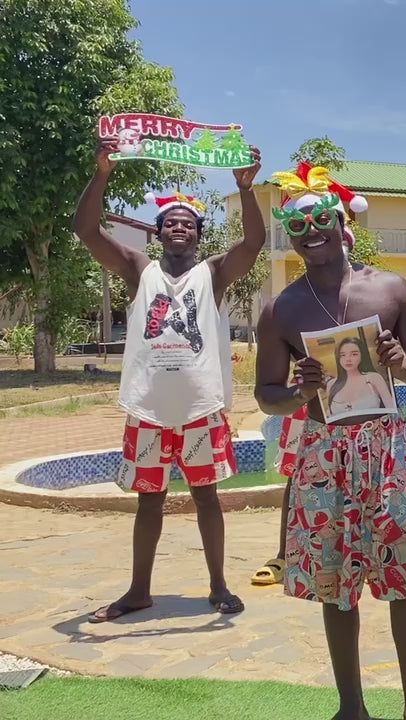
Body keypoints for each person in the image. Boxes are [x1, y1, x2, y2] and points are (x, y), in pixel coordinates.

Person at [254, 162, 406, 720]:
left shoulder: (389, 287)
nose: (310, 230)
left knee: (403, 576)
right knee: (335, 583)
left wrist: (400, 363)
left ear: (343, 222)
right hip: (323, 451)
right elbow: (266, 394)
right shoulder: (281, 308)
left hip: (389, 448)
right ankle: (351, 708)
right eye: (297, 222)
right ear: (288, 231)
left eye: (321, 217)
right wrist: (297, 390)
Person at [74, 138, 264, 623]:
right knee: (149, 502)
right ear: (158, 233)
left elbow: (253, 244)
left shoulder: (214, 272)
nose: (179, 227)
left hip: (201, 408)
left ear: (199, 234)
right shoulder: (139, 270)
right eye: (170, 223)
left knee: (207, 498)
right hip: (149, 410)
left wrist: (245, 189)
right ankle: (139, 591)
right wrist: (102, 175)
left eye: (188, 223)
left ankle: (219, 586)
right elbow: (87, 230)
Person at [252, 222, 361, 587]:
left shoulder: (367, 291)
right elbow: (268, 389)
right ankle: (285, 553)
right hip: (307, 408)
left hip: (366, 422)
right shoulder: (289, 305)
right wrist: (300, 391)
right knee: (297, 477)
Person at [325, 335, 394, 416]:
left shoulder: (373, 378)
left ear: (362, 356)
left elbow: (392, 410)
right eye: (342, 355)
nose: (348, 359)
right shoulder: (331, 384)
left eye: (354, 354)